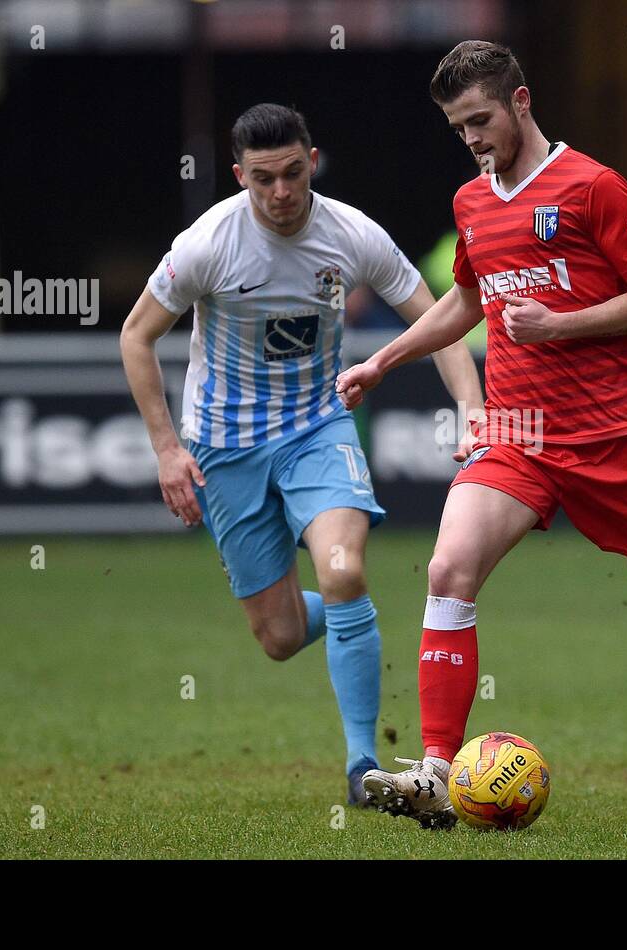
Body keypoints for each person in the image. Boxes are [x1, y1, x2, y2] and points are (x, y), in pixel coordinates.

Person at [336, 41, 627, 830]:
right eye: (458, 128)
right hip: (519, 430)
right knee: (450, 568)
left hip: (615, 434)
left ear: (520, 102)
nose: (472, 139)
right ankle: (434, 770)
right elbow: (466, 302)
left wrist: (561, 325)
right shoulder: (472, 202)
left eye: (480, 120)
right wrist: (384, 360)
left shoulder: (594, 187)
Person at [120, 103, 484, 806]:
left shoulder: (352, 235)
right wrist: (167, 450)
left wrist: (470, 409)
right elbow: (137, 336)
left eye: (292, 174)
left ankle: (361, 770)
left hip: (319, 428)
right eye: (263, 180)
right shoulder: (207, 244)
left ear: (311, 161)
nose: (281, 193)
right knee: (281, 635)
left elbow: (439, 317)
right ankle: (352, 626)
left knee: (343, 569)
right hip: (224, 446)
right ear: (239, 176)